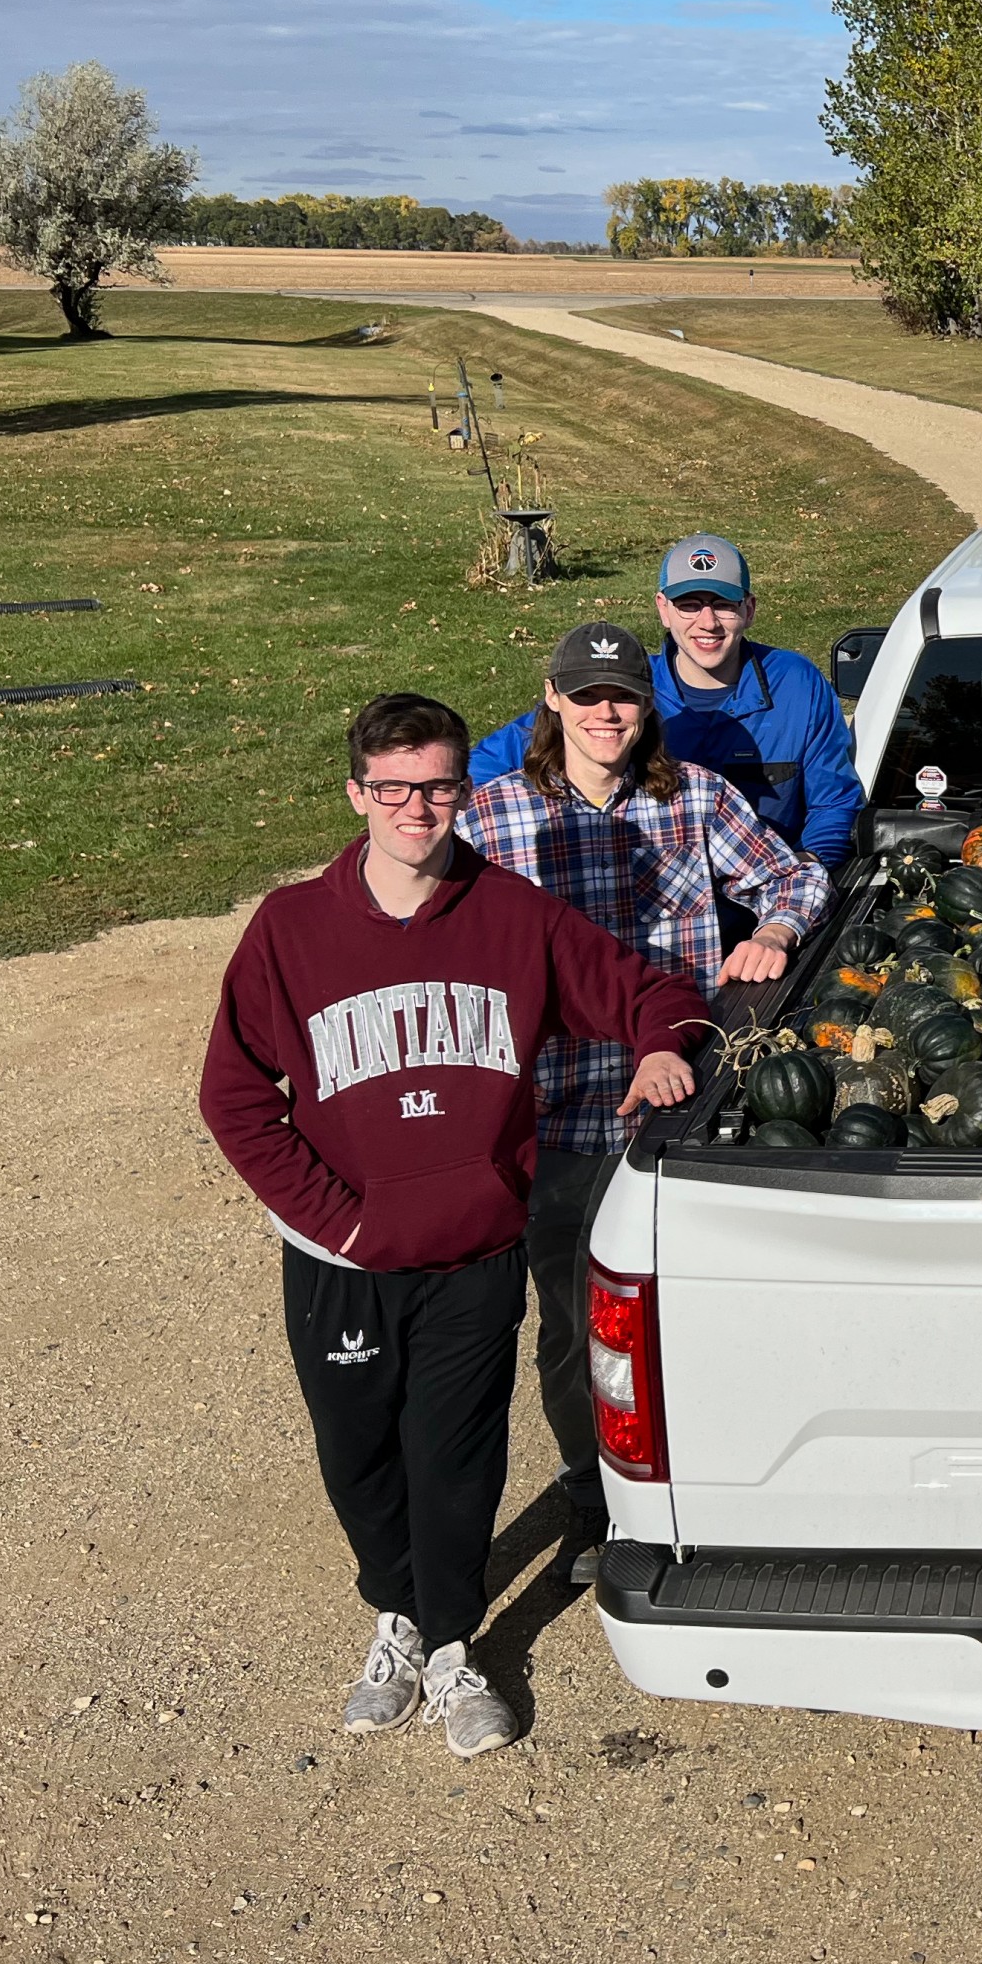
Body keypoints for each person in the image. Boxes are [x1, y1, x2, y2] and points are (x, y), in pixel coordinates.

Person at [200, 693, 710, 1759]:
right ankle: (396, 1611)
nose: (415, 809)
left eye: (435, 786)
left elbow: (644, 992)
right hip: (341, 1259)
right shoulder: (290, 930)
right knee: (357, 1455)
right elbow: (235, 1096)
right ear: (357, 795)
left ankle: (449, 1646)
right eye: (392, 788)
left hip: (475, 1250)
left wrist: (663, 1044)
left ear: (462, 792)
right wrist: (339, 1221)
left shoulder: (513, 917)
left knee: (456, 1457)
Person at [459, 621, 830, 1587]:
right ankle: (597, 1497)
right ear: (553, 699)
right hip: (557, 1115)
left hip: (684, 1107)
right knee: (576, 1323)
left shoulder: (696, 800)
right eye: (587, 697)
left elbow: (796, 872)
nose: (606, 714)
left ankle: (734, 1484)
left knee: (711, 1310)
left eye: (622, 695)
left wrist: (777, 930)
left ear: (646, 702)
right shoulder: (491, 819)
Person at [466, 534, 862, 873]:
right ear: (662, 609)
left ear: (749, 609)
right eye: (689, 604)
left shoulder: (796, 684)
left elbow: (835, 801)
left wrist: (804, 874)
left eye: (724, 604)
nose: (707, 622)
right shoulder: (624, 690)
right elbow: (488, 767)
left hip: (760, 901)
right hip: (651, 901)